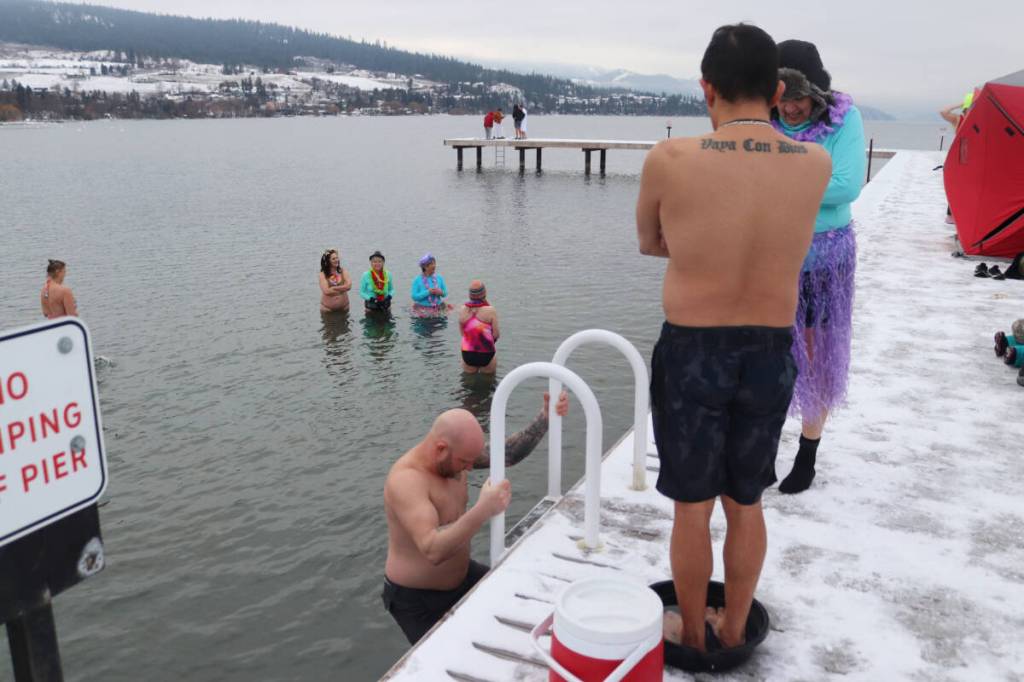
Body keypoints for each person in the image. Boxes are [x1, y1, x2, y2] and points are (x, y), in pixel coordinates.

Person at [636, 23, 830, 653]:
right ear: (777, 90)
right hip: (770, 349)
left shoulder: (670, 159)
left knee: (692, 507)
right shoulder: (815, 163)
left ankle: (691, 633)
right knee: (746, 502)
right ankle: (738, 627)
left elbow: (650, 243)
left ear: (705, 88)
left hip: (694, 347)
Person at [382, 391, 571, 645]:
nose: (470, 468)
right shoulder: (407, 481)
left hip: (462, 577)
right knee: (445, 661)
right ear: (440, 449)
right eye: (465, 462)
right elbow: (432, 549)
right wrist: (483, 509)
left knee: (520, 602)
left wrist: (546, 418)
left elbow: (508, 454)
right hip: (417, 601)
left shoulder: (454, 458)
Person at [771, 39, 867, 494]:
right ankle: (764, 447)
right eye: (782, 98)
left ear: (818, 94)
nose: (789, 109)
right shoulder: (762, 117)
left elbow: (846, 185)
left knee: (816, 354)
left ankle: (807, 454)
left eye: (798, 98)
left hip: (826, 261)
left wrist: (772, 179)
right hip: (770, 257)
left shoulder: (845, 119)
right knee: (769, 356)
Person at [459, 280, 499, 374]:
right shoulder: (491, 311)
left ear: (470, 295)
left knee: (468, 384)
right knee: (489, 384)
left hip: (467, 354)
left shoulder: (462, 310)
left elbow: (462, 334)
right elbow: (496, 335)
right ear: (484, 293)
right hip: (486, 354)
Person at [319, 249, 352, 313]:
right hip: (328, 310)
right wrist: (343, 288)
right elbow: (327, 291)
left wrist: (334, 288)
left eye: (337, 258)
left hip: (344, 308)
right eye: (333, 259)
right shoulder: (322, 274)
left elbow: (349, 286)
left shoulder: (343, 271)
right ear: (328, 261)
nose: (336, 260)